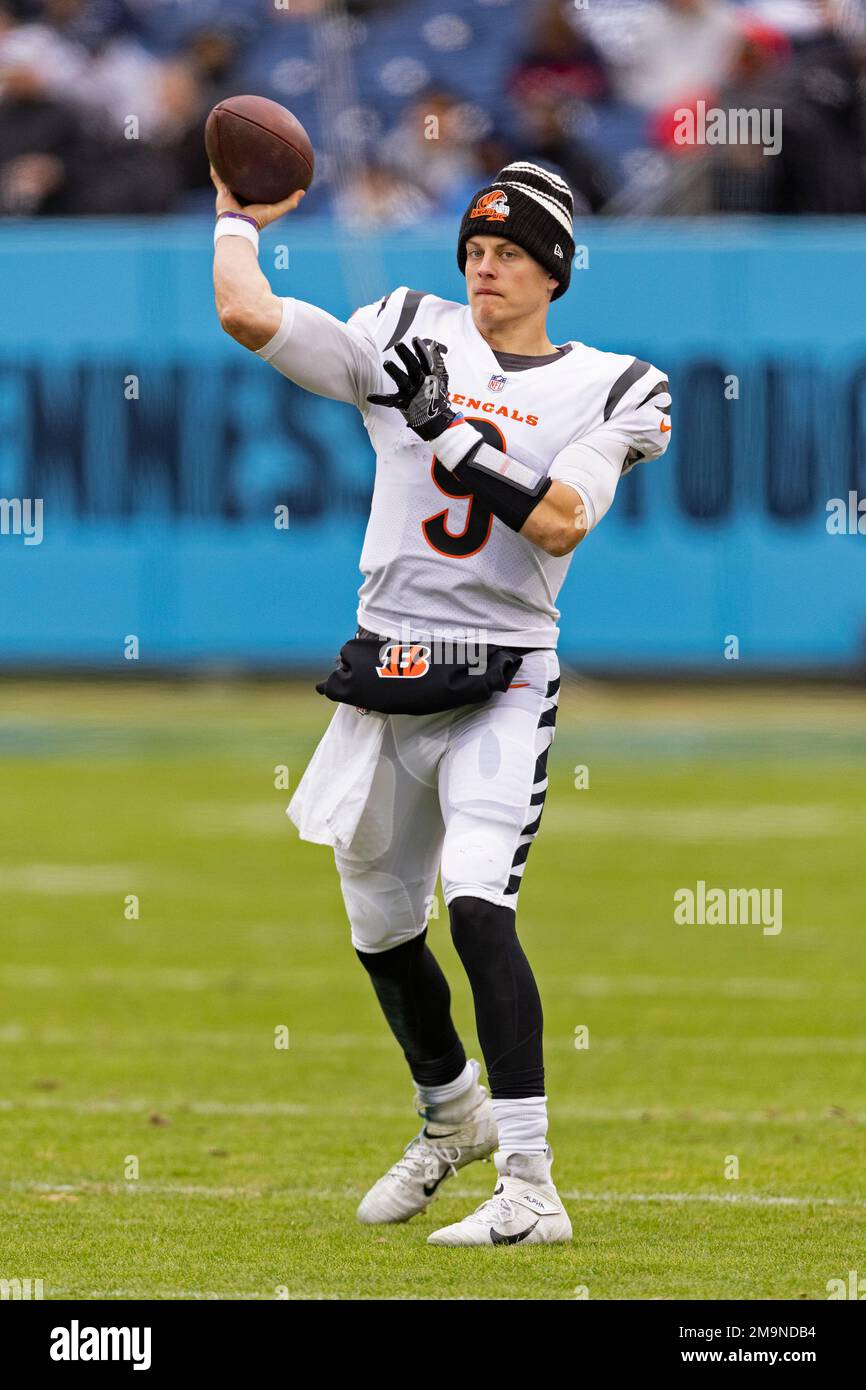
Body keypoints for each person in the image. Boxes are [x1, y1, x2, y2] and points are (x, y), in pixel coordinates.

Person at [211, 161, 672, 1247]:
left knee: (475, 900)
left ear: (553, 271)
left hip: (502, 673)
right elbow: (247, 312)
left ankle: (529, 1185)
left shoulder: (613, 386)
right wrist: (235, 217)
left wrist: (450, 433)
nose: (484, 270)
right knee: (379, 930)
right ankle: (447, 1114)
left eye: (508, 254)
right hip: (388, 670)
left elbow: (558, 521)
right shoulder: (408, 325)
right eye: (472, 250)